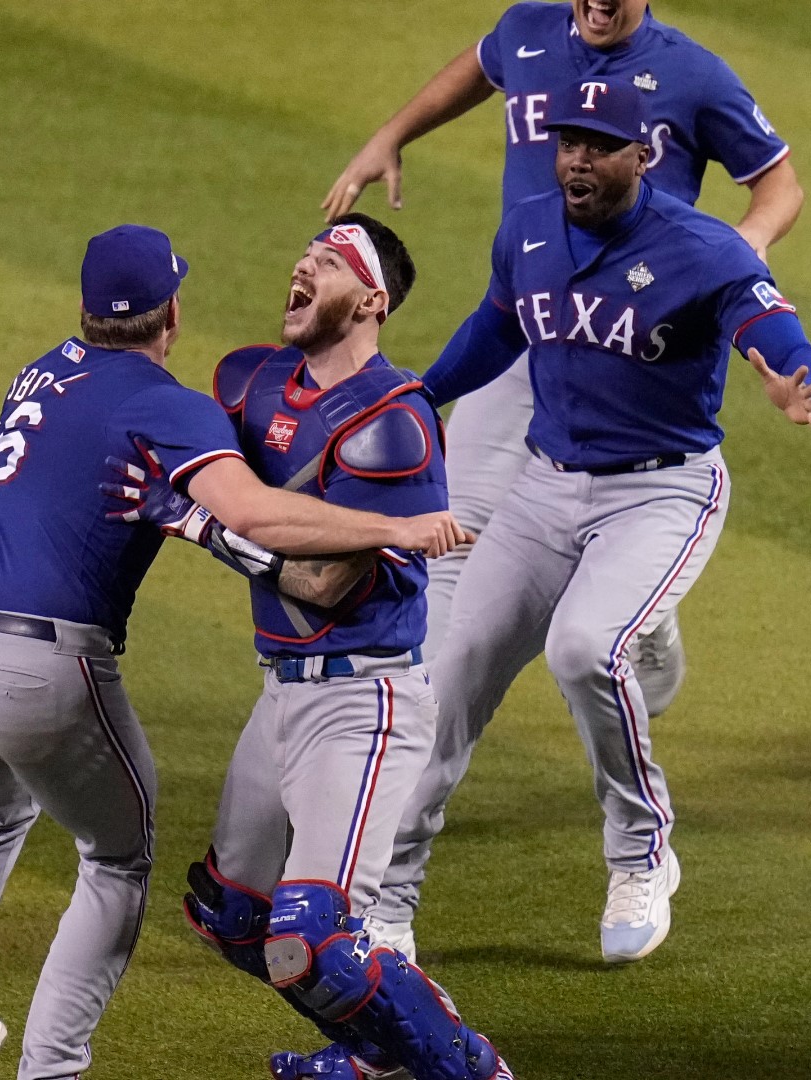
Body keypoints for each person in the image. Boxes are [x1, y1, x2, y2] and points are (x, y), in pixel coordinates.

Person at [0, 224, 465, 1080]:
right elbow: (259, 518)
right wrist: (400, 530)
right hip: (40, 665)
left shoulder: (43, 370)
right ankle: (52, 1069)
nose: (303, 261)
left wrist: (184, 510)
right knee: (118, 860)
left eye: (331, 257)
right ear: (173, 311)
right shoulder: (178, 402)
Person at [370, 76, 811, 965]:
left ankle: (641, 853)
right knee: (452, 668)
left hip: (660, 492)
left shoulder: (704, 248)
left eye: (597, 144)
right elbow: (498, 327)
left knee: (584, 649)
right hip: (544, 487)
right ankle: (387, 902)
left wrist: (791, 374)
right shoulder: (530, 228)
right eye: (567, 140)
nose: (576, 157)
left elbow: (772, 324)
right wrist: (425, 392)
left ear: (642, 156)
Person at [323, 0, 806, 733]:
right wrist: (392, 134)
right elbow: (485, 64)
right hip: (533, 317)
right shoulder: (529, 30)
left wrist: (740, 251)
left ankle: (644, 614)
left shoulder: (693, 74)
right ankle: (415, 737)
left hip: (630, 338)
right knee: (453, 525)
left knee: (610, 503)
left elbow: (779, 183)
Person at [105, 216, 511, 1080]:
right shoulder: (247, 379)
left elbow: (328, 585)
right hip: (282, 693)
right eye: (305, 252)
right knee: (234, 917)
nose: (302, 264)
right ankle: (376, 1056)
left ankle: (470, 1068)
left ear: (371, 301)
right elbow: (156, 443)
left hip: (363, 705)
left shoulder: (392, 423)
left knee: (314, 934)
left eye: (328, 262)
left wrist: (197, 526)